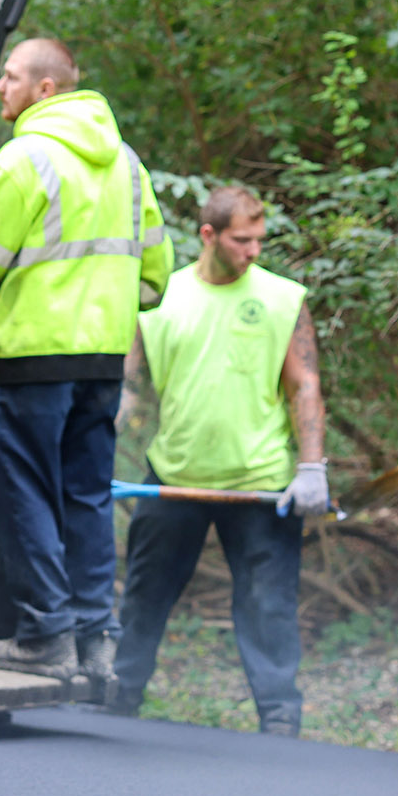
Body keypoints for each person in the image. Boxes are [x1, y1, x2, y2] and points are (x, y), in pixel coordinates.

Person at [0, 38, 172, 687]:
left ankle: (44, 636)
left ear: (45, 89)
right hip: (102, 359)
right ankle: (95, 641)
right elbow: (156, 276)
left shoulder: (25, 159)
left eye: (11, 77)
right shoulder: (128, 166)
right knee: (86, 497)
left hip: (34, 356)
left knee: (24, 494)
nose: (0, 87)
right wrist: (103, 307)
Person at [107, 186, 330, 736]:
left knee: (268, 604)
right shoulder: (163, 297)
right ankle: (116, 700)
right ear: (208, 235)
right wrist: (94, 441)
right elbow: (130, 387)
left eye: (259, 239)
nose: (255, 250)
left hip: (259, 483)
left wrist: (311, 467)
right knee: (144, 594)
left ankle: (279, 716)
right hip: (175, 477)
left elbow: (305, 386)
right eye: (242, 239)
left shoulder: (282, 299)